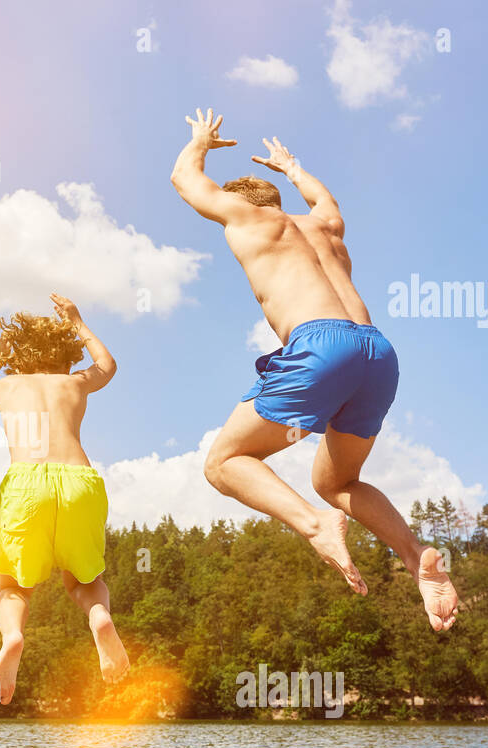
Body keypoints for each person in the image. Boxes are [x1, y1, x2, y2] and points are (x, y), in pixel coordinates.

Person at [170, 108, 458, 631]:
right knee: (338, 480)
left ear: (239, 202)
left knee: (224, 462)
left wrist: (201, 141)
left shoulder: (250, 218)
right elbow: (328, 201)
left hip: (320, 346)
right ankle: (416, 558)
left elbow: (184, 180)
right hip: (377, 353)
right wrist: (292, 167)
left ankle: (315, 525)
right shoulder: (324, 226)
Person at [0, 294, 130, 704]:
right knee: (85, 580)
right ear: (66, 354)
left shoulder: (6, 384)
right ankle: (99, 617)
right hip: (78, 481)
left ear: (20, 355)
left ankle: (13, 636)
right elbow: (107, 366)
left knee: (14, 585)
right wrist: (79, 323)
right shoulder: (74, 381)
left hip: (25, 484)